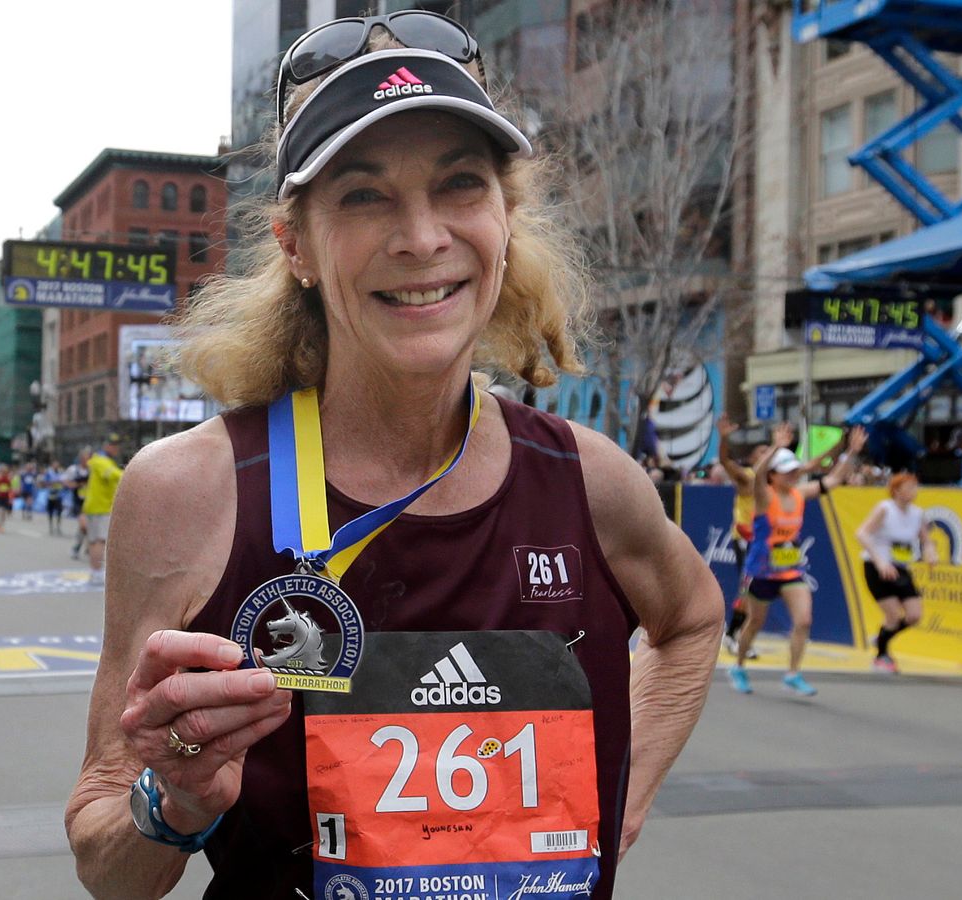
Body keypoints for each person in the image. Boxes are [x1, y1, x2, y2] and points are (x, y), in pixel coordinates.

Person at [66, 20, 724, 898]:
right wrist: (176, 801)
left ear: (505, 216)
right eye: (365, 196)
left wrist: (621, 795)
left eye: (459, 186)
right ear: (295, 245)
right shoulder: (190, 491)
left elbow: (691, 621)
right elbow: (107, 864)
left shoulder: (589, 478)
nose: (421, 238)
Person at [731, 422, 865, 697]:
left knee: (803, 620)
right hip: (762, 570)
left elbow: (833, 481)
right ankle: (739, 666)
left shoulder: (799, 494)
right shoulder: (764, 497)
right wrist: (776, 447)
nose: (793, 475)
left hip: (790, 570)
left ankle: (793, 673)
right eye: (786, 471)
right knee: (754, 623)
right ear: (774, 475)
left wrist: (850, 453)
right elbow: (757, 476)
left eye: (794, 470)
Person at [855, 472, 934, 673]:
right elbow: (862, 533)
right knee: (892, 614)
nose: (914, 492)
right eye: (909, 488)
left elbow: (925, 540)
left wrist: (930, 553)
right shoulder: (885, 509)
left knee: (914, 615)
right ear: (897, 491)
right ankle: (881, 656)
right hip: (877, 567)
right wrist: (880, 562)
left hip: (900, 568)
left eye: (916, 487)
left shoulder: (918, 513)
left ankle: (882, 637)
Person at [713, 415, 768, 658]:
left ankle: (741, 633)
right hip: (746, 538)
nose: (769, 456)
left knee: (758, 590)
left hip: (766, 541)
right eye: (764, 451)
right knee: (748, 587)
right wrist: (723, 439)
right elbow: (725, 460)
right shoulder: (747, 477)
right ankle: (734, 633)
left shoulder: (774, 482)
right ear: (754, 458)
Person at [80, 434, 124, 586]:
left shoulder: (100, 461)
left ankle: (95, 571)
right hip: (101, 507)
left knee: (94, 541)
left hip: (95, 507)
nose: (117, 449)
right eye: (114, 446)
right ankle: (97, 572)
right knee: (99, 540)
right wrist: (132, 475)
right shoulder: (102, 461)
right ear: (107, 446)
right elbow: (115, 475)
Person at [65, 449, 90, 559]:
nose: (87, 461)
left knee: (87, 527)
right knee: (83, 525)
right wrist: (77, 485)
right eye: (84, 458)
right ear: (80, 459)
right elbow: (66, 482)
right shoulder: (73, 469)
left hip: (90, 502)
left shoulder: (92, 470)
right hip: (78, 502)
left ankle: (85, 546)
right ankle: (77, 547)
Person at [42, 463, 65, 535]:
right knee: (50, 512)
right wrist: (52, 483)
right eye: (55, 465)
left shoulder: (61, 473)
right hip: (50, 495)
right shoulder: (49, 473)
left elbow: (64, 482)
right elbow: (44, 482)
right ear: (52, 466)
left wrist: (61, 483)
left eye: (57, 465)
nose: (56, 466)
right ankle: (51, 526)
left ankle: (58, 527)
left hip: (58, 496)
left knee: (59, 512)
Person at [0, 463, 14, 533]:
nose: (5, 473)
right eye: (3, 471)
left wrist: (10, 497)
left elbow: (10, 488)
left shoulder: (8, 480)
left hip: (5, 497)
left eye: (6, 471)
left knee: (3, 511)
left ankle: (1, 526)